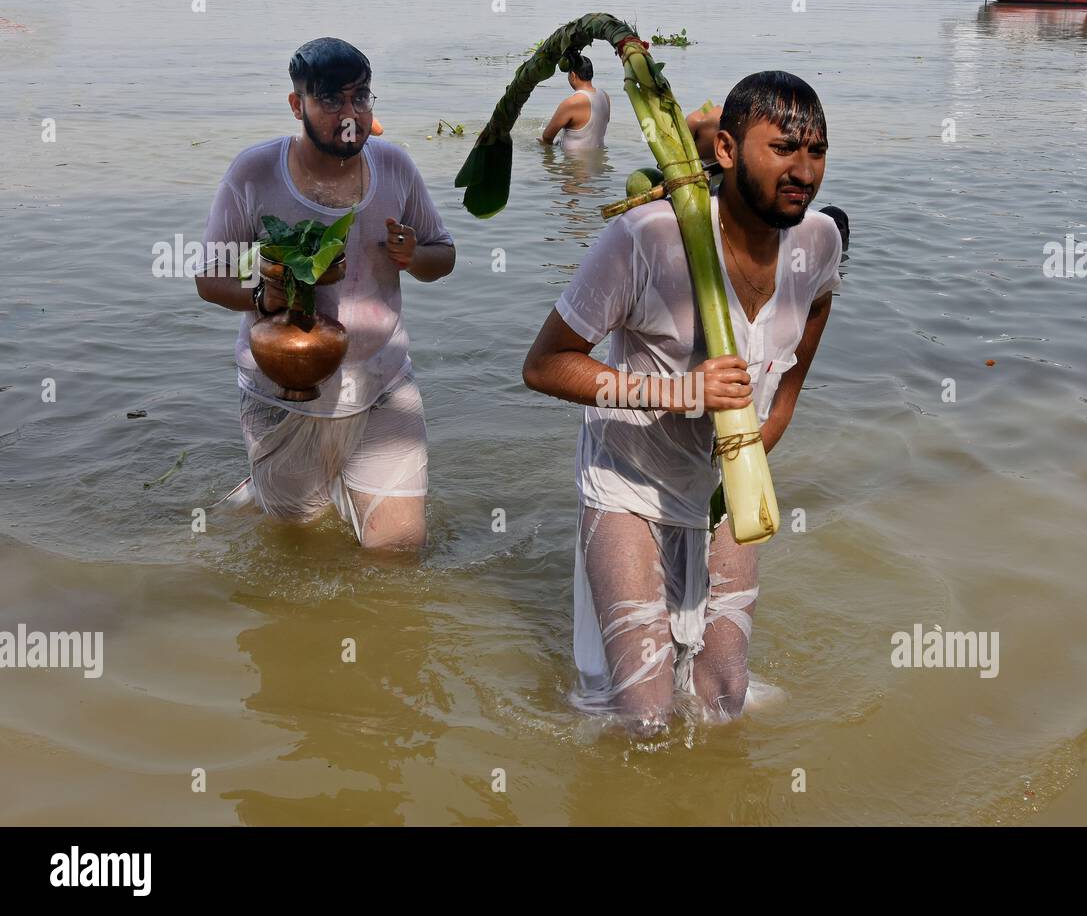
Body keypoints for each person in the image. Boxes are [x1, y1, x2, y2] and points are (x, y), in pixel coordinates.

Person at [522, 71, 841, 735]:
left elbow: (812, 319)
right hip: (628, 486)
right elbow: (544, 364)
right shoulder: (646, 238)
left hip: (726, 487)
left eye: (816, 152)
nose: (803, 171)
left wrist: (767, 428)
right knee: (644, 718)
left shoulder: (818, 242)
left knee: (723, 699)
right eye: (783, 148)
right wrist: (680, 392)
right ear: (725, 149)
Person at [196, 37, 456, 551]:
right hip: (283, 390)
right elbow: (210, 278)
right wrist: (259, 299)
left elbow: (442, 255)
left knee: (398, 551)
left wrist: (413, 255)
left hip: (384, 384)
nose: (349, 114)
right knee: (300, 548)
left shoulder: (395, 167)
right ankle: (266, 491)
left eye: (360, 98)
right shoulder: (254, 174)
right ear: (298, 105)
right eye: (331, 100)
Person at [539, 54, 611, 152]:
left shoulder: (571, 103)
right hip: (599, 162)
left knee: (540, 142)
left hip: (575, 164)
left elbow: (547, 137)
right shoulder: (604, 96)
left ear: (572, 75)